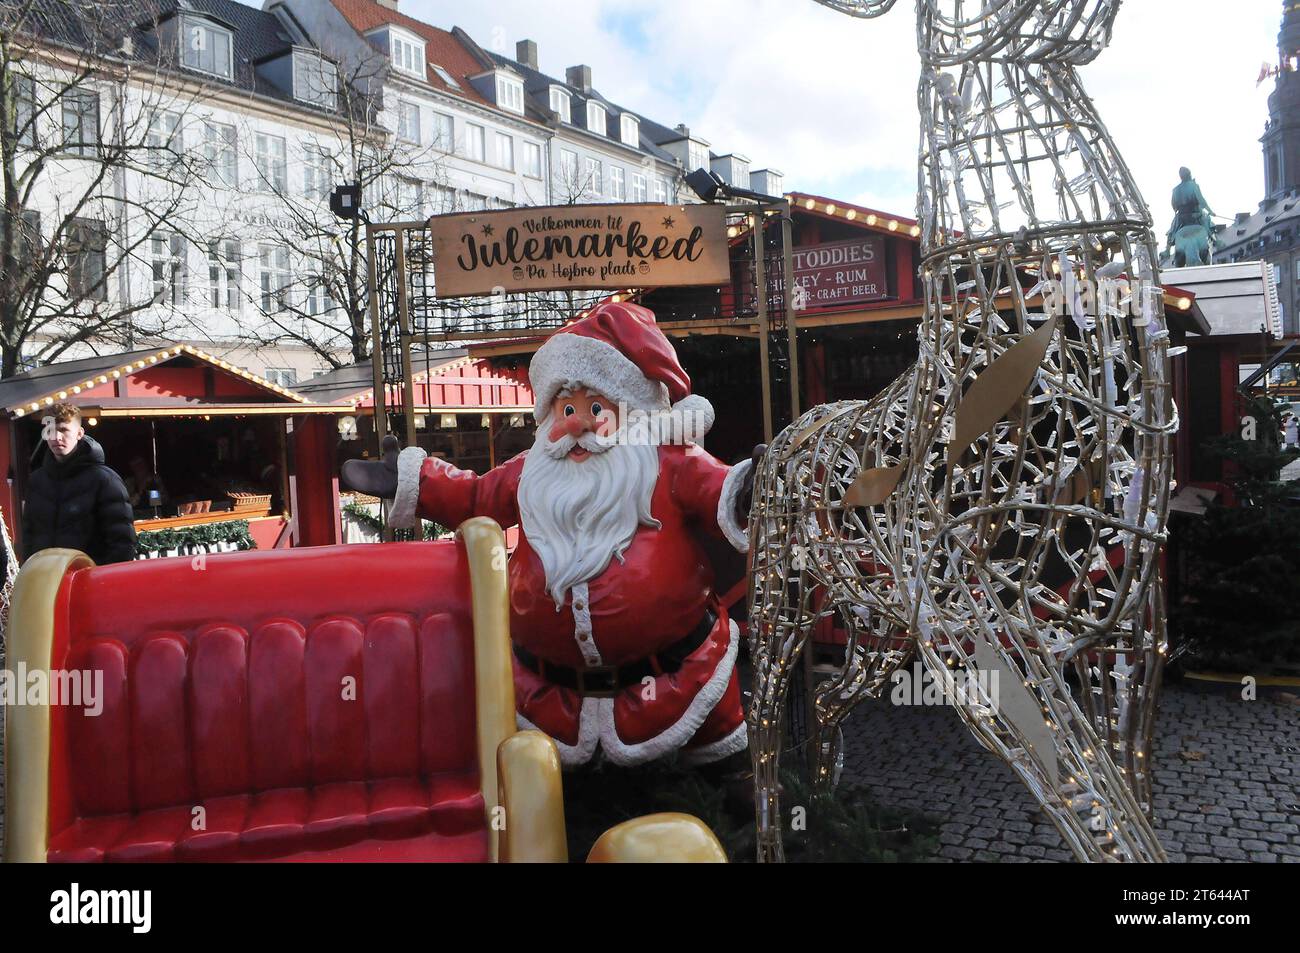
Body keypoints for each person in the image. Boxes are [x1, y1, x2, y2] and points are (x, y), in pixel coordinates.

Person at [345, 302, 762, 772]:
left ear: (634, 412)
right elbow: (477, 496)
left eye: (597, 408)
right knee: (548, 802)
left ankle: (736, 791)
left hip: (676, 679)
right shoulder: (534, 470)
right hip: (547, 695)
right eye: (566, 408)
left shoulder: (668, 461)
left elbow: (720, 491)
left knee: (721, 762)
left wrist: (750, 490)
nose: (578, 424)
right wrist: (412, 480)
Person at [22, 403, 137, 565]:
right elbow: (28, 536)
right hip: (46, 579)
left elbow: (122, 543)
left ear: (79, 433)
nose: (56, 437)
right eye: (50, 430)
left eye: (63, 430)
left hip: (90, 579)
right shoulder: (36, 481)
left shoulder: (104, 480)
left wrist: (100, 578)